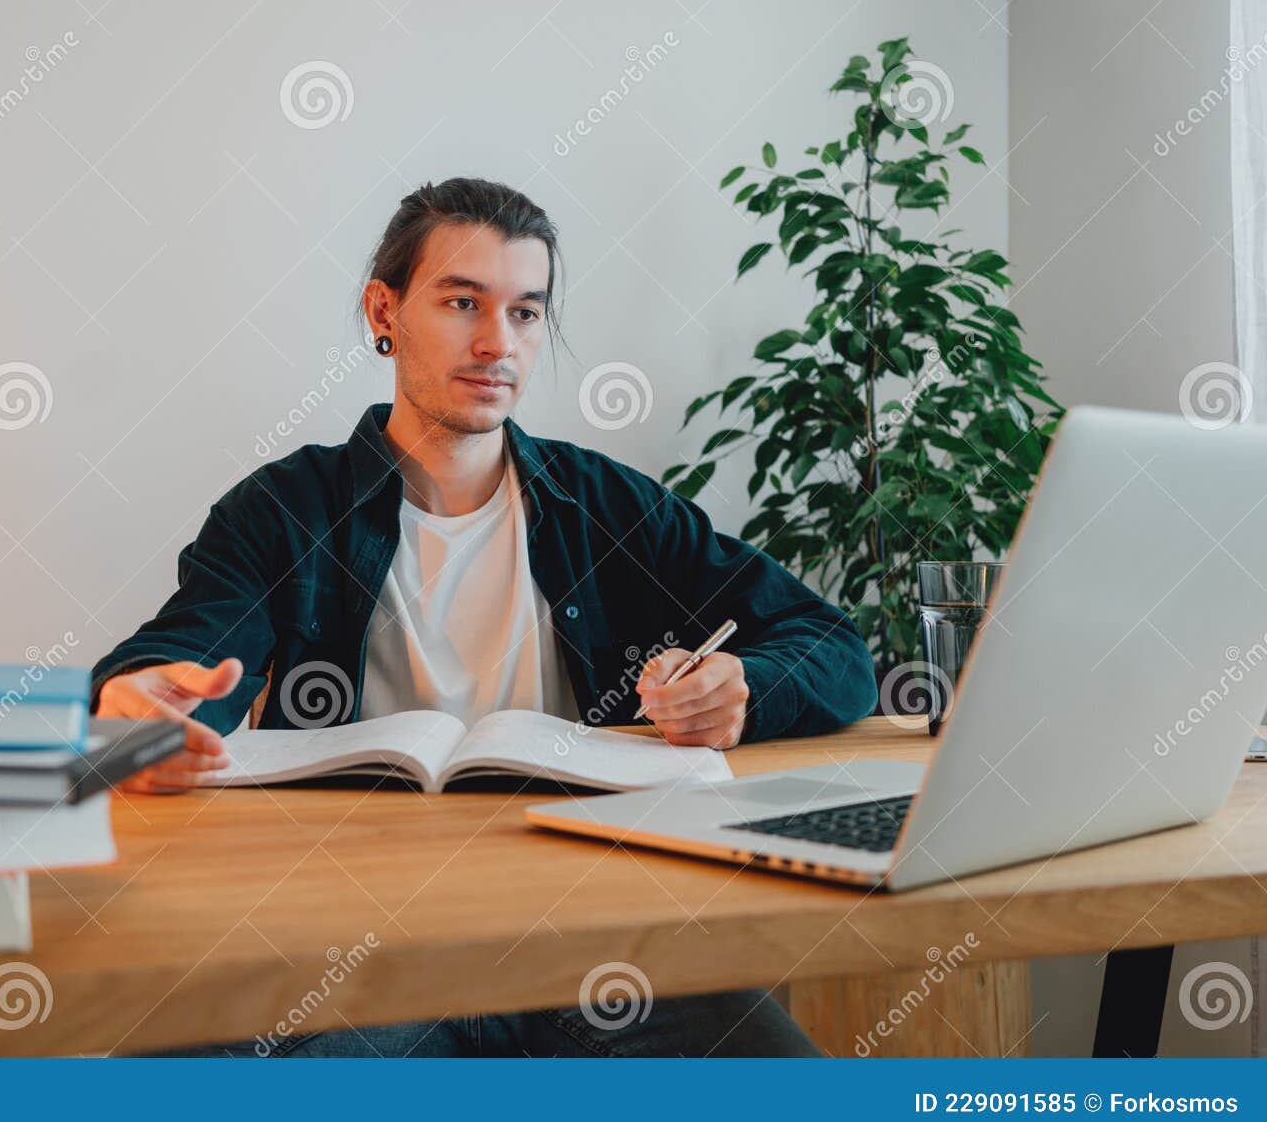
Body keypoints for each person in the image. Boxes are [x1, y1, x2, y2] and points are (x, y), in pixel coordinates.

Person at [93, 177, 877, 1056]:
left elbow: (833, 644)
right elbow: (173, 658)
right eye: (463, 301)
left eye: (527, 313)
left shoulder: (606, 506)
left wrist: (746, 688)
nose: (496, 342)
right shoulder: (284, 511)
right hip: (367, 953)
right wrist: (137, 706)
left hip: (599, 944)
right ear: (382, 310)